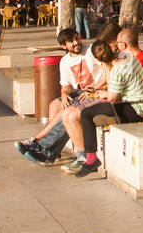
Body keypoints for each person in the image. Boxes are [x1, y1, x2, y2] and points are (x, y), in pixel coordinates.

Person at [59, 38, 143, 178]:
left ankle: (91, 159)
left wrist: (101, 93)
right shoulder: (127, 56)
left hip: (136, 109)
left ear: (100, 62)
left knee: (86, 114)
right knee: (89, 111)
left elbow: (112, 98)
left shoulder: (116, 71)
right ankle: (90, 158)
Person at [16, 28, 108, 164]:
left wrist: (95, 88)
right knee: (55, 105)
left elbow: (108, 72)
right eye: (71, 41)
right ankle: (50, 149)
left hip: (94, 93)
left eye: (77, 38)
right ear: (64, 46)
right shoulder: (65, 61)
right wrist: (64, 95)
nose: (76, 42)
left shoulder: (91, 50)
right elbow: (65, 86)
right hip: (79, 93)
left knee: (68, 112)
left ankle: (44, 147)